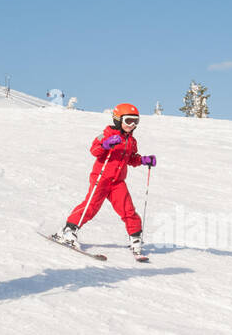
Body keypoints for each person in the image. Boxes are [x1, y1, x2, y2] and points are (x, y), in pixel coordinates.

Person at [55, 103, 156, 254]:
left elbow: (131, 158)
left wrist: (143, 160)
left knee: (127, 209)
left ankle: (135, 237)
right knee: (91, 205)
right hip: (101, 178)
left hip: (117, 182)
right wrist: (106, 145)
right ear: (118, 119)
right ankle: (68, 230)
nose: (132, 124)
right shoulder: (106, 134)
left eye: (136, 121)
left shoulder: (132, 141)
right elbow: (94, 150)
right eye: (129, 120)